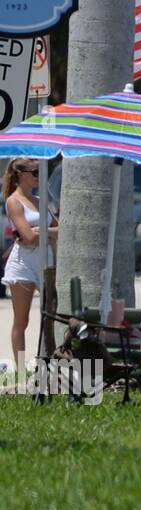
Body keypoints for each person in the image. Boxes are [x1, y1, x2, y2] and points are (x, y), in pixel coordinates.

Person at [3, 158, 56, 372]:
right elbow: (27, 237)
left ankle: (51, 362)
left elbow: (61, 230)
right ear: (20, 173)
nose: (38, 176)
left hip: (46, 260)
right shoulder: (13, 201)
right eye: (35, 172)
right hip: (23, 263)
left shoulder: (40, 199)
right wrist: (40, 234)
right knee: (21, 320)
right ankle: (21, 369)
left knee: (52, 315)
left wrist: (38, 232)